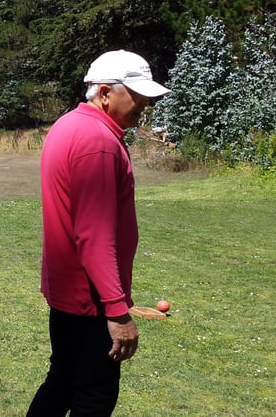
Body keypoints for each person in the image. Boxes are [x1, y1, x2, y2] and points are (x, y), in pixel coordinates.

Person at [27, 50, 170, 416]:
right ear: (105, 92)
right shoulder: (98, 143)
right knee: (94, 395)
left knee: (62, 382)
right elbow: (94, 236)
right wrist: (118, 312)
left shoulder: (69, 125)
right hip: (89, 299)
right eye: (137, 96)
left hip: (68, 293)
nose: (144, 105)